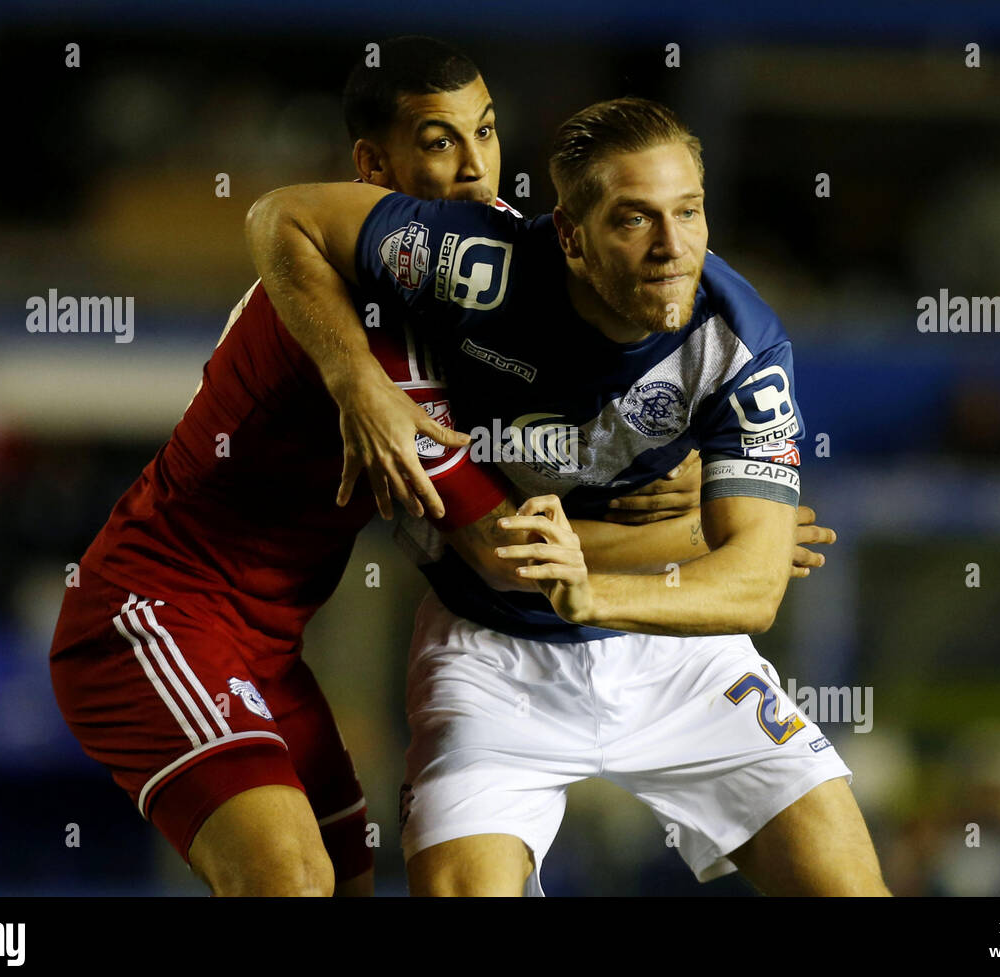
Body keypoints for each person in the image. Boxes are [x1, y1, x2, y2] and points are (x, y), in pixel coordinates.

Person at [47, 38, 770, 898]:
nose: (475, 169)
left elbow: (546, 430)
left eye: (488, 133)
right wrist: (699, 532)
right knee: (289, 882)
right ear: (370, 168)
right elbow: (499, 551)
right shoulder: (370, 329)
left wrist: (665, 477)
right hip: (156, 611)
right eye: (438, 142)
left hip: (269, 647)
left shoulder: (488, 262)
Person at [245, 95, 888, 896]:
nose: (672, 247)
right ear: (572, 236)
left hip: (681, 661)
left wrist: (591, 589)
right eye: (634, 220)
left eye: (689, 212)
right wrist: (355, 381)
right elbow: (282, 218)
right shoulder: (478, 266)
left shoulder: (738, 342)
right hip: (492, 662)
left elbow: (754, 588)